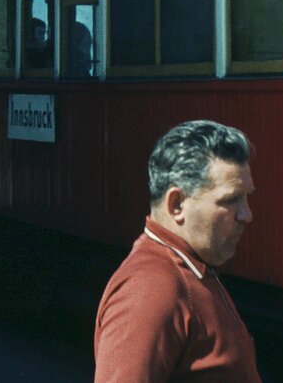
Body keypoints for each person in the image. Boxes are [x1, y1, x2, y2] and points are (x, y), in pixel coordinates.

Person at [94, 120, 261, 382]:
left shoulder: (192, 268)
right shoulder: (149, 291)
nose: (247, 214)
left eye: (247, 197)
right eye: (230, 200)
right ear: (177, 205)